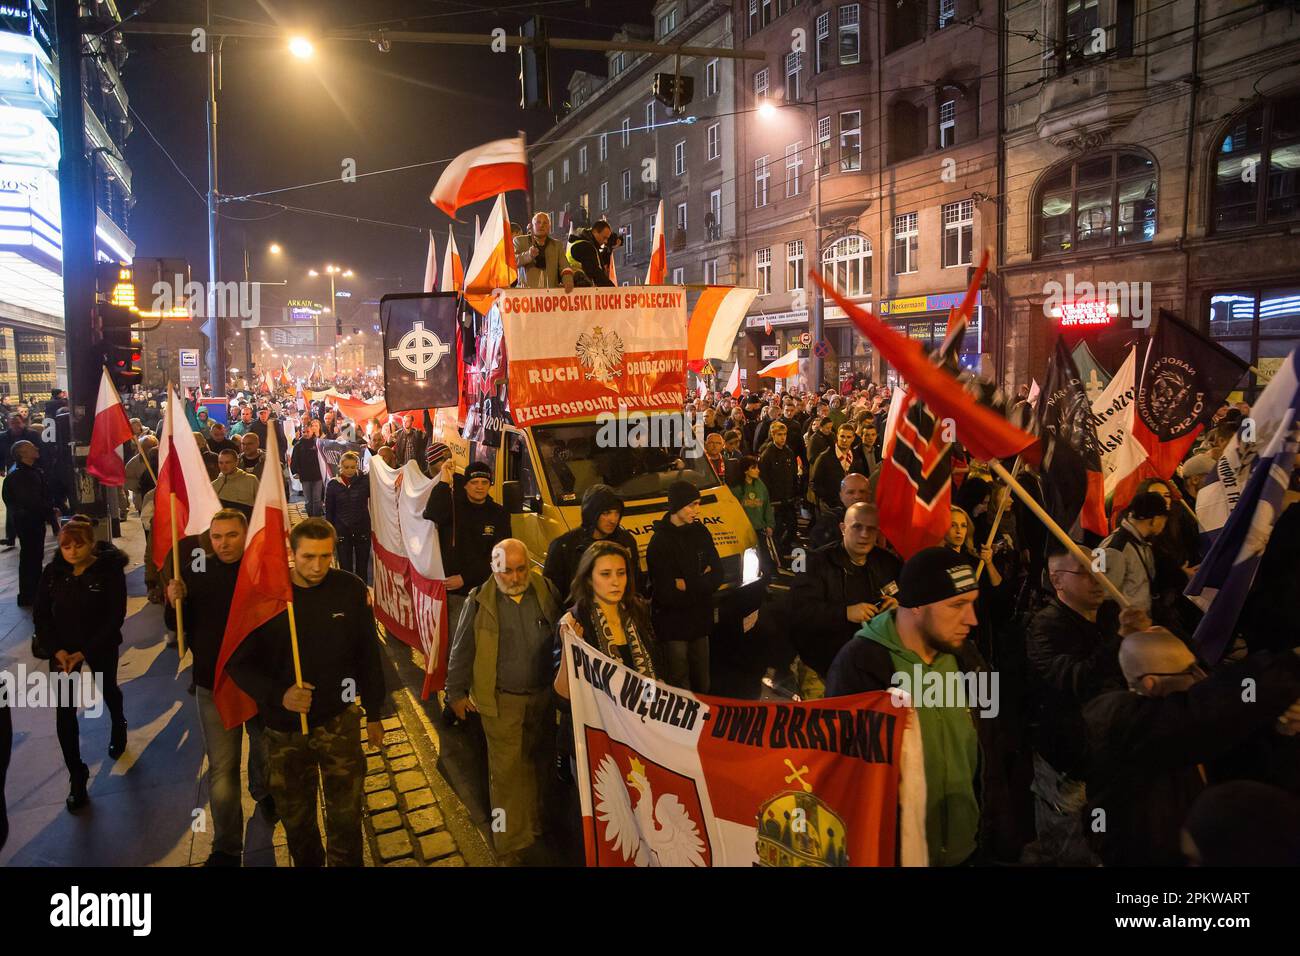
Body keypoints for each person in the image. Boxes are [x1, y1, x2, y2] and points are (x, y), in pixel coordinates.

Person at [225, 518, 390, 867]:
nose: (317, 567)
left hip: (338, 721)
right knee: (297, 820)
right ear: (292, 553)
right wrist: (278, 694)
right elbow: (237, 664)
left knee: (346, 816)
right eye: (308, 557)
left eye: (325, 557)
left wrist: (374, 712)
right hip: (284, 730)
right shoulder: (268, 595)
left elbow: (367, 655)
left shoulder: (350, 588)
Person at [825, 547, 986, 866]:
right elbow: (845, 772)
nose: (972, 619)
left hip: (966, 849)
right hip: (895, 854)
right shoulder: (860, 664)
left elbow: (987, 745)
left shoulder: (965, 656)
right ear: (915, 606)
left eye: (972, 604)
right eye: (957, 605)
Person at [1082, 629, 1300, 866]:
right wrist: (1289, 667)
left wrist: (1281, 732)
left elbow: (1242, 765)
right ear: (1150, 684)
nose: (1201, 678)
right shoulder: (1118, 721)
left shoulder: (1188, 735)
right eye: (1189, 671)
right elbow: (1202, 713)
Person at [164, 509, 273, 865]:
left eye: (231, 535)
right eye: (217, 536)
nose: (223, 543)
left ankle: (264, 791)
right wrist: (173, 599)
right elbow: (177, 625)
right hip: (213, 683)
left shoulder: (258, 571)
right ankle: (226, 847)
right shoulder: (196, 572)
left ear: (245, 535)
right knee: (223, 769)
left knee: (265, 751)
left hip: (259, 683)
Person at [445, 539, 563, 864]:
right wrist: (454, 693)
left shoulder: (544, 589)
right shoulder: (480, 601)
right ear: (493, 569)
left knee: (538, 763)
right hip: (501, 702)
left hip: (542, 698)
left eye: (520, 568)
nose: (514, 577)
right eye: (506, 571)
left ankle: (534, 824)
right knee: (505, 774)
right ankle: (508, 841)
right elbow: (461, 649)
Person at [1024, 545, 1143, 866]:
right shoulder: (1045, 627)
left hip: (1112, 756)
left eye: (1099, 571)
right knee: (1071, 846)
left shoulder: (1109, 615)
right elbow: (1074, 679)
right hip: (1069, 760)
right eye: (1085, 574)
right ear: (1057, 581)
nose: (1097, 581)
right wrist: (1121, 640)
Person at [34, 520, 129, 812]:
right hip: (62, 652)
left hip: (99, 645)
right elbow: (41, 615)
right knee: (65, 712)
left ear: (91, 544)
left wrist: (84, 651)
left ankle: (118, 724)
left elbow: (115, 615)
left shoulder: (109, 571)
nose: (73, 551)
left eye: (79, 544)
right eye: (66, 546)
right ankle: (77, 773)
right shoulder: (52, 574)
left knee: (108, 688)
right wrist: (58, 650)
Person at [791, 502, 901, 697]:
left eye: (871, 529)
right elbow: (799, 611)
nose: (864, 534)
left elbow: (909, 605)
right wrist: (845, 613)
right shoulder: (814, 563)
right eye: (857, 526)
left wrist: (897, 608)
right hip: (822, 668)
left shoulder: (888, 564)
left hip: (872, 673)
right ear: (843, 528)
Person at [645, 480, 722, 693]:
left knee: (703, 680)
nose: (697, 510)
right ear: (677, 505)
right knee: (680, 682)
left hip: (699, 620)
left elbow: (717, 574)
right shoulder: (659, 542)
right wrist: (701, 583)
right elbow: (666, 592)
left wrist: (687, 584)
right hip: (674, 625)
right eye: (692, 505)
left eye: (698, 504)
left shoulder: (701, 532)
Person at [423, 458, 511, 597]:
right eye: (474, 482)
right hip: (452, 592)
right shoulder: (452, 507)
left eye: (485, 482)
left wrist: (465, 578)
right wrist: (444, 481)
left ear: (490, 485)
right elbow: (432, 513)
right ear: (465, 485)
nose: (480, 487)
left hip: (484, 591)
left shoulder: (499, 514)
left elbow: (500, 559)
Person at [542, 483, 640, 606]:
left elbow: (636, 584)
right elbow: (552, 597)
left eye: (617, 513)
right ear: (591, 512)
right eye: (606, 513)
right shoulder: (564, 546)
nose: (613, 519)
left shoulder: (626, 541)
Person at [3, 440, 56, 606]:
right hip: (28, 522)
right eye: (31, 447)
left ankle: (33, 592)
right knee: (30, 558)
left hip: (32, 521)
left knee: (33, 557)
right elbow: (30, 500)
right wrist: (50, 509)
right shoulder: (20, 475)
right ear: (22, 454)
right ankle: (30, 595)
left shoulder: (28, 472)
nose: (36, 448)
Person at [1100, 491, 1168, 613]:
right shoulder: (1116, 548)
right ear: (1155, 520)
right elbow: (1103, 594)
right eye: (1164, 520)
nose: (1164, 525)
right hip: (1126, 626)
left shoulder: (1141, 542)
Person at [325, 451, 371, 583]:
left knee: (362, 568)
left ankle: (362, 595)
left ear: (357, 466)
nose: (349, 470)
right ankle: (348, 596)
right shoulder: (333, 484)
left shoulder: (365, 481)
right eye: (346, 467)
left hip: (362, 529)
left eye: (352, 467)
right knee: (345, 569)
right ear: (340, 467)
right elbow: (329, 510)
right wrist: (331, 532)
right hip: (342, 531)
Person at [758, 421, 799, 559]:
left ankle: (785, 547)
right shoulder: (767, 453)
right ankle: (777, 553)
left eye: (784, 434)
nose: (783, 437)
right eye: (779, 434)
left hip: (788, 497)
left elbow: (793, 474)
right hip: (775, 499)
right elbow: (764, 478)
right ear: (773, 435)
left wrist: (795, 493)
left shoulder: (789, 452)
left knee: (793, 525)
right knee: (777, 528)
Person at [811, 422, 869, 511]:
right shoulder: (825, 457)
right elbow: (815, 483)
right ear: (837, 436)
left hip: (851, 505)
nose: (845, 440)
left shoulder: (856, 456)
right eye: (842, 436)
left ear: (853, 438)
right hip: (832, 507)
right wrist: (828, 501)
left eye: (848, 437)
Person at [731, 455, 775, 572]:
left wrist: (770, 524)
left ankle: (766, 580)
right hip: (744, 531)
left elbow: (767, 505)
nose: (758, 470)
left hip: (759, 528)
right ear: (746, 470)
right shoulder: (737, 489)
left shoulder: (761, 486)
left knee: (764, 557)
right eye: (754, 468)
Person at [807, 472, 872, 551]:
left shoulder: (876, 520)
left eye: (862, 491)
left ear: (869, 495)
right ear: (841, 496)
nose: (857, 496)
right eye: (851, 492)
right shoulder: (828, 522)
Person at [515, 211, 575, 290]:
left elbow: (565, 267)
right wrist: (528, 255)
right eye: (538, 222)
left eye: (545, 223)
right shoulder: (519, 241)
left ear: (549, 227)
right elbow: (512, 262)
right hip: (526, 296)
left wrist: (568, 281)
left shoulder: (557, 245)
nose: (541, 225)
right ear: (532, 226)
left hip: (549, 295)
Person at [565, 219, 616, 287]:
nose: (605, 242)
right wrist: (613, 290)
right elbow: (595, 272)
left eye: (607, 239)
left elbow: (596, 265)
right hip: (581, 290)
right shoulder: (585, 247)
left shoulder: (583, 244)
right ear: (595, 232)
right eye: (604, 238)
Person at [290, 419, 325, 517]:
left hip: (317, 475)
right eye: (303, 432)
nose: (305, 434)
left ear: (312, 431)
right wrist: (295, 471)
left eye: (307, 432)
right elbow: (294, 459)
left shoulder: (318, 443)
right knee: (308, 499)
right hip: (305, 476)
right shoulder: (298, 445)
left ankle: (316, 519)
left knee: (317, 499)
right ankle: (310, 517)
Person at [211, 449, 259, 519]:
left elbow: (261, 507)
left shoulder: (251, 481)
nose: (223, 466)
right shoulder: (213, 486)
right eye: (221, 463)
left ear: (237, 462)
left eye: (227, 462)